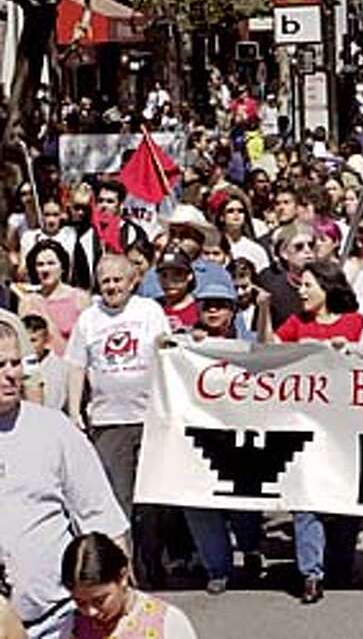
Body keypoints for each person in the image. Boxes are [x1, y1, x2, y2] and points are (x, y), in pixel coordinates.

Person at [0, 307, 129, 639]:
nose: (11, 374)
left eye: (15, 363)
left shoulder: (53, 430)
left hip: (57, 622)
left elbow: (100, 515)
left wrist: (124, 605)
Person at [64, 255, 172, 585]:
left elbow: (168, 353)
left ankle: (152, 563)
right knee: (117, 501)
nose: (111, 287)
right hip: (109, 421)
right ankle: (124, 574)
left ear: (132, 281)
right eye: (105, 281)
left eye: (117, 280)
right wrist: (73, 411)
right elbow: (76, 366)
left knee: (152, 502)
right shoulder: (89, 319)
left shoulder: (150, 311)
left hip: (150, 419)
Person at [273, 258, 363, 603]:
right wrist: (264, 310)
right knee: (305, 500)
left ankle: (340, 564)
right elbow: (269, 351)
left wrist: (350, 350)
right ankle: (311, 573)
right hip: (305, 428)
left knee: (341, 500)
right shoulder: (297, 323)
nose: (301, 291)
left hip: (345, 431)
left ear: (327, 287)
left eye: (308, 285)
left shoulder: (355, 323)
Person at [180, 266, 262, 594]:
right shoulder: (185, 344)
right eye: (207, 304)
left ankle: (250, 547)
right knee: (199, 504)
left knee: (243, 504)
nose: (213, 309)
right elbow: (159, 351)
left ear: (233, 309)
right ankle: (217, 567)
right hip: (198, 436)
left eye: (221, 303)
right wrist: (179, 343)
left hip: (241, 436)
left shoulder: (252, 343)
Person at [58, 533, 197, 639]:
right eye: (80, 602)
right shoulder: (73, 626)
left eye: (99, 601)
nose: (90, 612)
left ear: (122, 578)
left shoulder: (167, 622)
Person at [17, 241, 90, 356]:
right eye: (40, 264)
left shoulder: (80, 298)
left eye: (51, 263)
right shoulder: (28, 301)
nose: (45, 270)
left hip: (72, 367)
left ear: (62, 267)